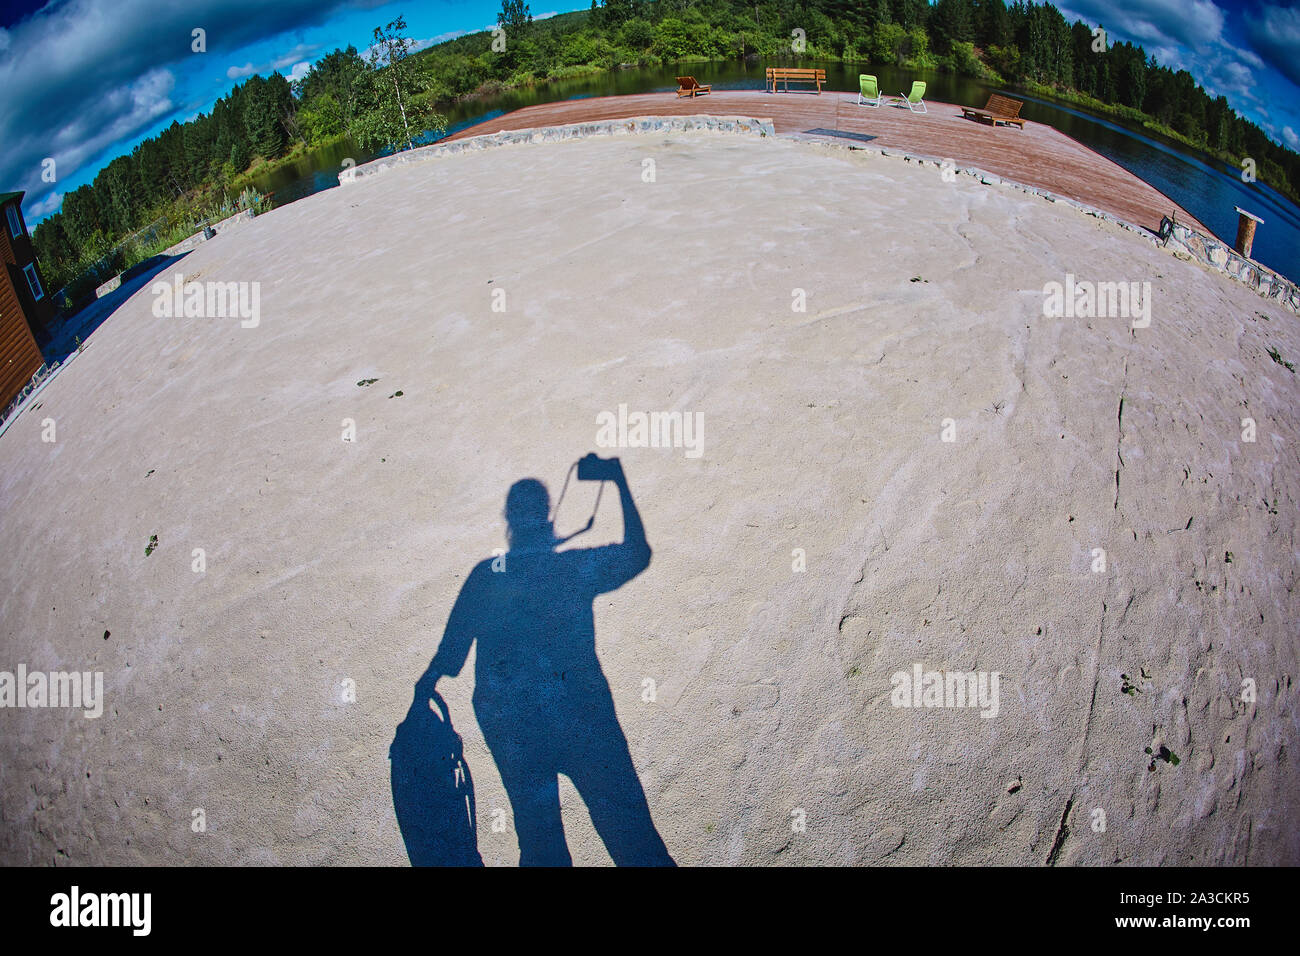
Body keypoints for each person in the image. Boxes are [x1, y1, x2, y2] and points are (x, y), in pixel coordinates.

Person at [410, 455, 674, 866]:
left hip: (513, 727)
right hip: (584, 720)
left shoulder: (487, 575)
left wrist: (422, 700)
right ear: (548, 515)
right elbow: (638, 553)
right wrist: (618, 480)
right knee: (631, 833)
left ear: (509, 520)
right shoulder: (573, 568)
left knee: (540, 841)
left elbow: (448, 658)